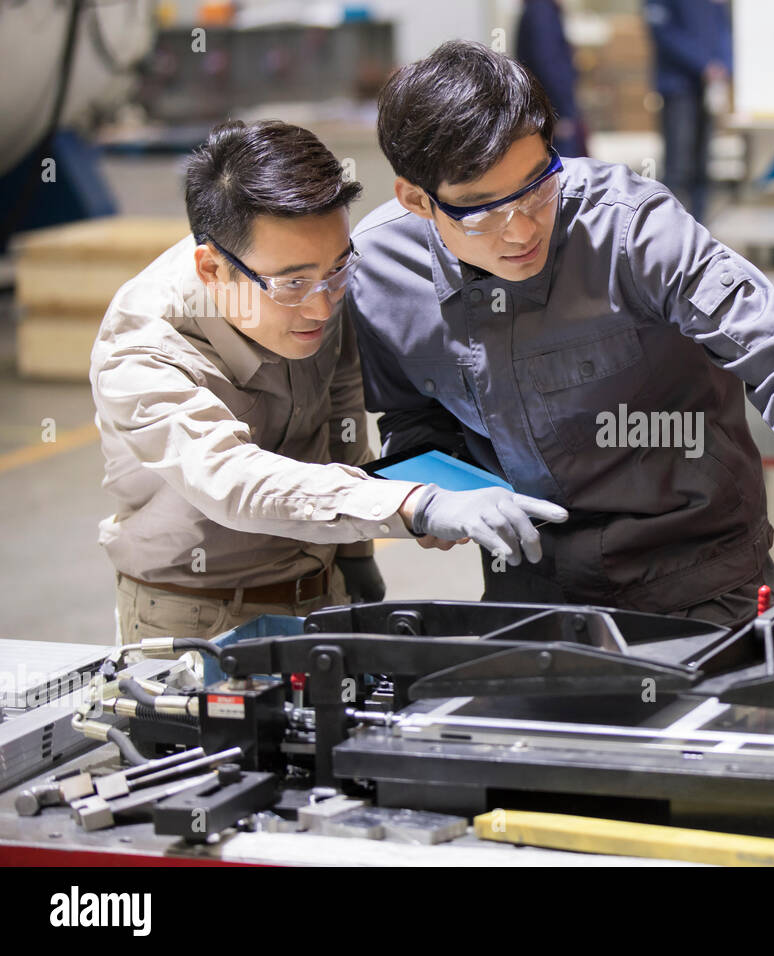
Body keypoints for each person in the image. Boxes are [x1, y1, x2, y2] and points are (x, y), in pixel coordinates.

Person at [347, 41, 774, 631]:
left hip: (700, 584)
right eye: (483, 212)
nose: (522, 228)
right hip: (530, 593)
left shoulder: (631, 228)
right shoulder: (380, 270)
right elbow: (411, 416)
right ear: (417, 200)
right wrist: (436, 500)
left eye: (537, 186)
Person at [91, 119, 560, 644]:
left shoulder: (313, 280)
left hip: (322, 589)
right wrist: (414, 505)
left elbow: (339, 414)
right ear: (211, 269)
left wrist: (354, 552)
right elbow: (231, 480)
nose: (321, 305)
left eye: (338, 270)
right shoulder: (141, 349)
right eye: (293, 283)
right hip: (192, 613)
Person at [644, 0, 732, 220]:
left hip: (707, 88)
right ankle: (669, 233)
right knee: (678, 168)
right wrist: (703, 65)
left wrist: (724, 66)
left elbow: (722, 27)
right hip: (678, 88)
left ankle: (700, 231)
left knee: (702, 167)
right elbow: (663, 32)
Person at [515, 0, 587, 158]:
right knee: (562, 169)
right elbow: (549, 64)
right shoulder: (541, 11)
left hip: (547, 111)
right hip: (552, 113)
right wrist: (562, 113)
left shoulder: (539, 9)